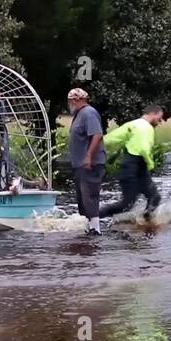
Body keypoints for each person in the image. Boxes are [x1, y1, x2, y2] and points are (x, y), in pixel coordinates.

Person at [100, 105, 165, 221]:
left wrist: (92, 143)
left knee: (154, 197)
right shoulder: (147, 128)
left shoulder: (132, 124)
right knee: (127, 204)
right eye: (159, 119)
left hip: (134, 168)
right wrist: (151, 164)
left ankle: (146, 222)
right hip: (133, 169)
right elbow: (144, 148)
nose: (159, 123)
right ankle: (93, 216)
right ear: (153, 114)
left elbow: (109, 138)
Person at [66, 88, 106, 235]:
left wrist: (88, 156)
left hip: (91, 164)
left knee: (90, 196)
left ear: (78, 100)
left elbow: (97, 135)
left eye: (71, 101)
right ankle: (88, 228)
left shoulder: (88, 113)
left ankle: (96, 230)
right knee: (82, 199)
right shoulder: (79, 115)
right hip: (80, 165)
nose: (70, 104)